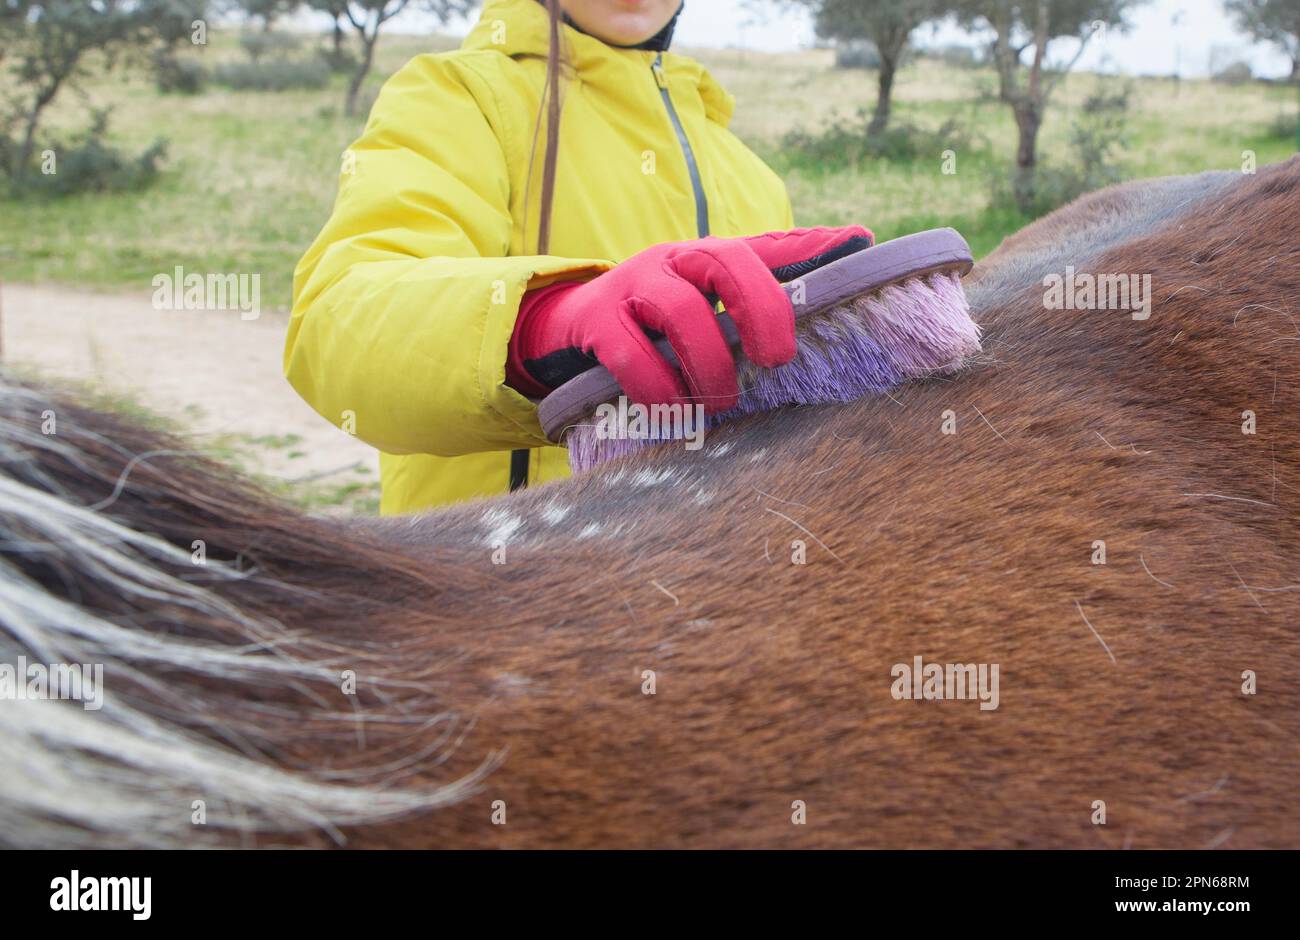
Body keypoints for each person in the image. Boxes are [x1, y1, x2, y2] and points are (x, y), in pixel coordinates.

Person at [285, 0, 869, 513]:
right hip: (493, 588)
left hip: (710, 587)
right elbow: (337, 322)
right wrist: (538, 326)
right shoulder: (458, 97)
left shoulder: (748, 172)